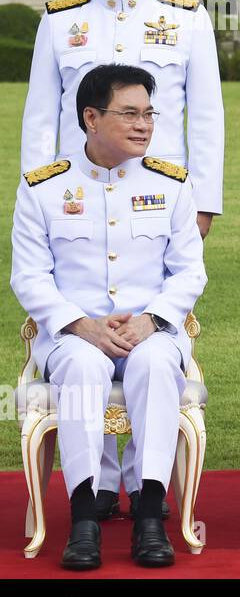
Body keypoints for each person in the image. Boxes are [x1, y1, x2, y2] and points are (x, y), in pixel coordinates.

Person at [21, 0, 223, 520]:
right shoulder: (61, 22)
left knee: (146, 332)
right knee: (90, 336)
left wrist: (205, 201)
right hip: (75, 203)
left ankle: (144, 487)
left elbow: (207, 115)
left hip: (160, 205)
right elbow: (39, 119)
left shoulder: (186, 19)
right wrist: (38, 195)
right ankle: (99, 488)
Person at [11, 64, 207, 569]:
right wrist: (81, 325)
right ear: (91, 118)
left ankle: (148, 515)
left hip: (150, 329)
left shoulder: (174, 184)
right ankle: (83, 520)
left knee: (157, 365)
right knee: (80, 367)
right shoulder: (43, 187)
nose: (144, 125)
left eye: (148, 114)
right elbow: (29, 277)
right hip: (74, 333)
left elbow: (189, 274)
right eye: (129, 114)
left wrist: (152, 319)